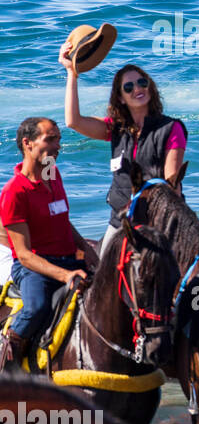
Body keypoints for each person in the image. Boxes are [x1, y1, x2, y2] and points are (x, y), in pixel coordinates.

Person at [60, 26, 187, 251]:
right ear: (120, 97)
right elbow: (73, 121)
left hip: (155, 220)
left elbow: (171, 183)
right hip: (120, 220)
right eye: (128, 87)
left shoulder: (171, 128)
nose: (137, 88)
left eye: (142, 83)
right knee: (101, 273)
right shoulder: (115, 129)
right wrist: (72, 73)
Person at [1, 118, 96, 367]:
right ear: (28, 143)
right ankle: (9, 360)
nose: (58, 146)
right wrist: (65, 275)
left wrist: (88, 253)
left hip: (68, 259)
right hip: (35, 268)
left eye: (59, 139)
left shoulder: (52, 173)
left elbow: (64, 219)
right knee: (37, 308)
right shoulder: (14, 192)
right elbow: (23, 255)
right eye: (50, 139)